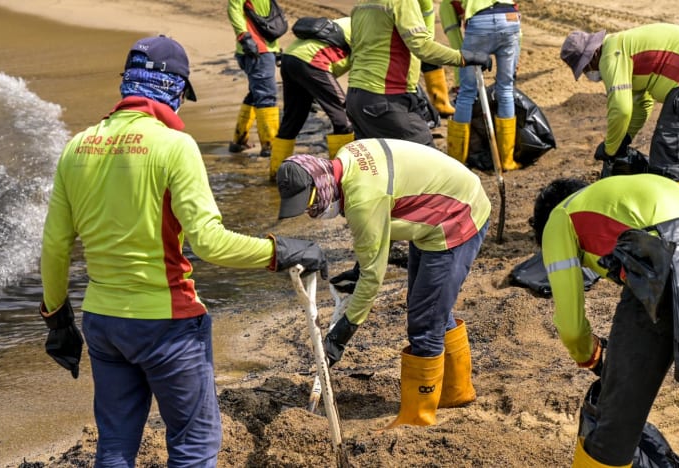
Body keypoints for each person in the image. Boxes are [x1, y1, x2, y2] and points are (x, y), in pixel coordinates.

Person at [38, 35, 328, 467]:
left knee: (115, 445)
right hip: (167, 324)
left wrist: (57, 318)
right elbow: (209, 242)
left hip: (103, 322)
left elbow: (55, 245)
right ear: (173, 88)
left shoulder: (76, 147)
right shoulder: (174, 146)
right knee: (194, 446)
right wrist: (278, 250)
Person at [532, 174, 679, 467]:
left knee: (617, 421)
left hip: (660, 257)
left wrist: (590, 356)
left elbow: (571, 326)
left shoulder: (559, 216)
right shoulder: (617, 194)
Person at [275, 138, 490, 429]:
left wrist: (340, 334)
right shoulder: (348, 155)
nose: (310, 211)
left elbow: (373, 278)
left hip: (457, 216)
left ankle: (418, 419)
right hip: (434, 210)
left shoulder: (363, 202)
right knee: (430, 304)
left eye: (310, 202)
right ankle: (456, 392)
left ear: (320, 182)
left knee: (425, 323)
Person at [559, 23, 679, 201]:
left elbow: (621, 109)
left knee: (667, 152)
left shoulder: (611, 54)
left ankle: (672, 220)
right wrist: (626, 139)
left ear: (593, 54)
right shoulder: (627, 50)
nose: (589, 74)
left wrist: (611, 148)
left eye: (585, 68)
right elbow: (642, 105)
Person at [346, 0, 493, 146]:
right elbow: (422, 46)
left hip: (357, 98)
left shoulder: (360, 4)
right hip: (386, 98)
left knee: (384, 164)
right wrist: (464, 57)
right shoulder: (402, 2)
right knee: (429, 162)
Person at [269, 17, 354, 181]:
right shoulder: (368, 30)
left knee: (292, 120)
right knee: (343, 117)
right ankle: (342, 178)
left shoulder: (352, 21)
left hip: (290, 58)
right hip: (313, 61)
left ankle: (276, 175)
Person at [446, 0, 521, 171]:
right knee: (506, 88)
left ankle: (457, 160)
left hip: (480, 22)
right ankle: (507, 160)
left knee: (467, 92)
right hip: (509, 18)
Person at [228, 0, 282, 156]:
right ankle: (270, 146)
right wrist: (244, 37)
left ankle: (239, 141)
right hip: (256, 50)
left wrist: (275, 48)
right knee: (266, 96)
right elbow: (234, 10)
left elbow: (265, 18)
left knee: (255, 94)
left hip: (262, 49)